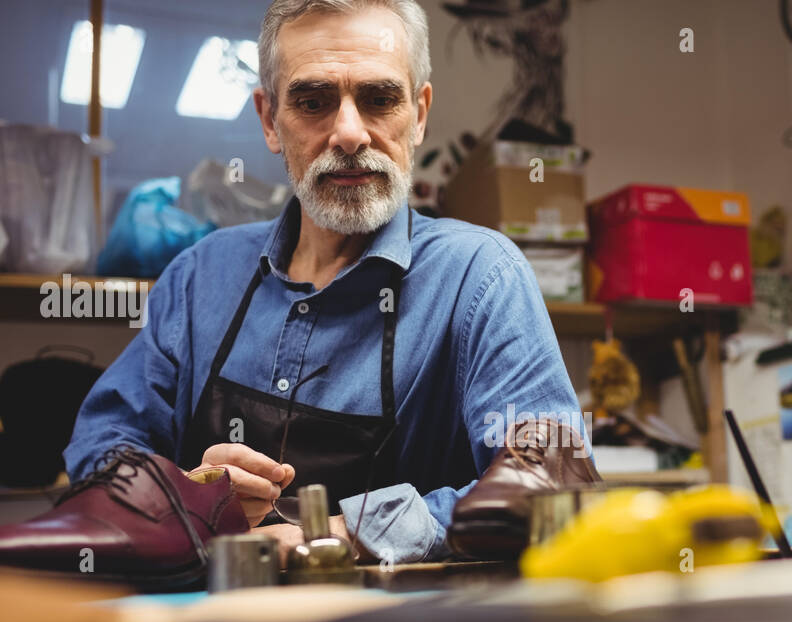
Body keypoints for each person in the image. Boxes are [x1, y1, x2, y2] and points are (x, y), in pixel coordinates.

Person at [64, 0, 586, 564]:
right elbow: (102, 453)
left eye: (379, 99)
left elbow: (554, 482)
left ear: (419, 114)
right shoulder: (198, 277)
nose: (348, 133)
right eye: (313, 101)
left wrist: (334, 533)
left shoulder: (480, 277)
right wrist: (189, 497)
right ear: (269, 119)